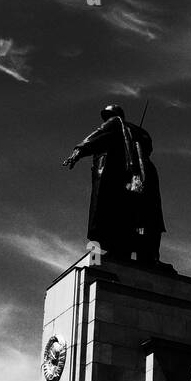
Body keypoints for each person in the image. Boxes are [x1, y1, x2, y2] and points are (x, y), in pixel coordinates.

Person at [62, 104, 165, 263]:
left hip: (119, 180)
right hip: (145, 178)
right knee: (141, 218)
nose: (106, 120)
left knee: (104, 221)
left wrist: (78, 151)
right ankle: (145, 257)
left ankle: (99, 258)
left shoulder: (115, 123)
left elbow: (95, 137)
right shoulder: (140, 134)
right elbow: (148, 147)